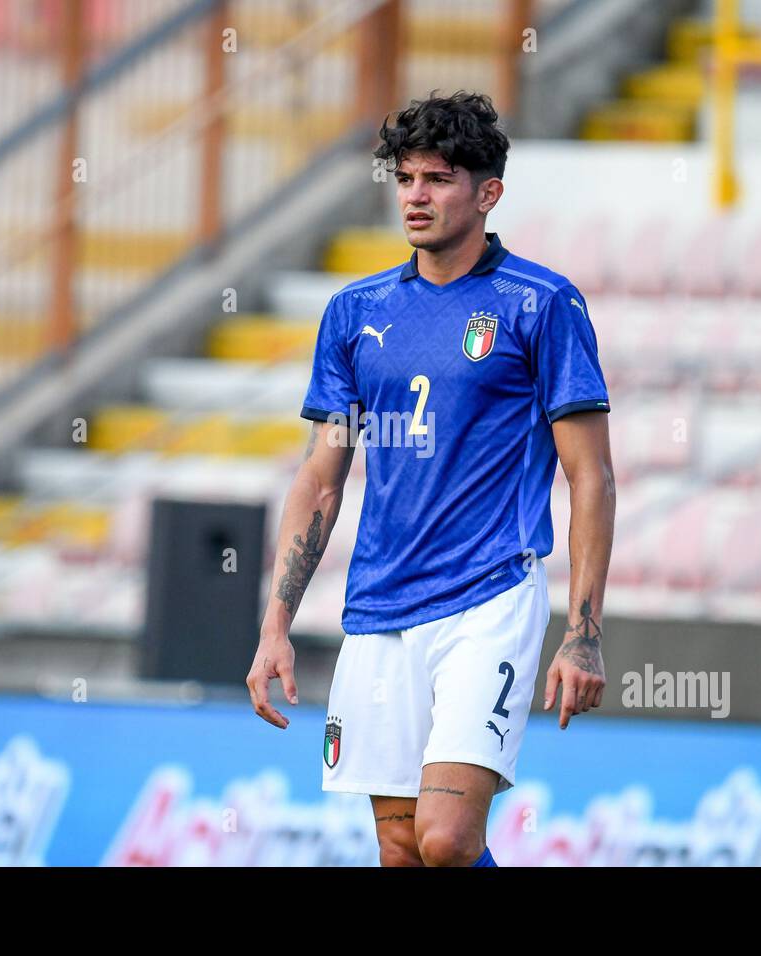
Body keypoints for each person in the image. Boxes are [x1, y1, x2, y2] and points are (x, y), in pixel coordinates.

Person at [246, 90, 616, 867]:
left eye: (439, 179)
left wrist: (583, 634)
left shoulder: (541, 305)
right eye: (406, 178)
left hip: (488, 597)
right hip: (380, 606)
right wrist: (275, 625)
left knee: (448, 840)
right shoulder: (355, 311)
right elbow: (321, 478)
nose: (416, 195)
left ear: (488, 193)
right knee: (402, 848)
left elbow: (592, 477)